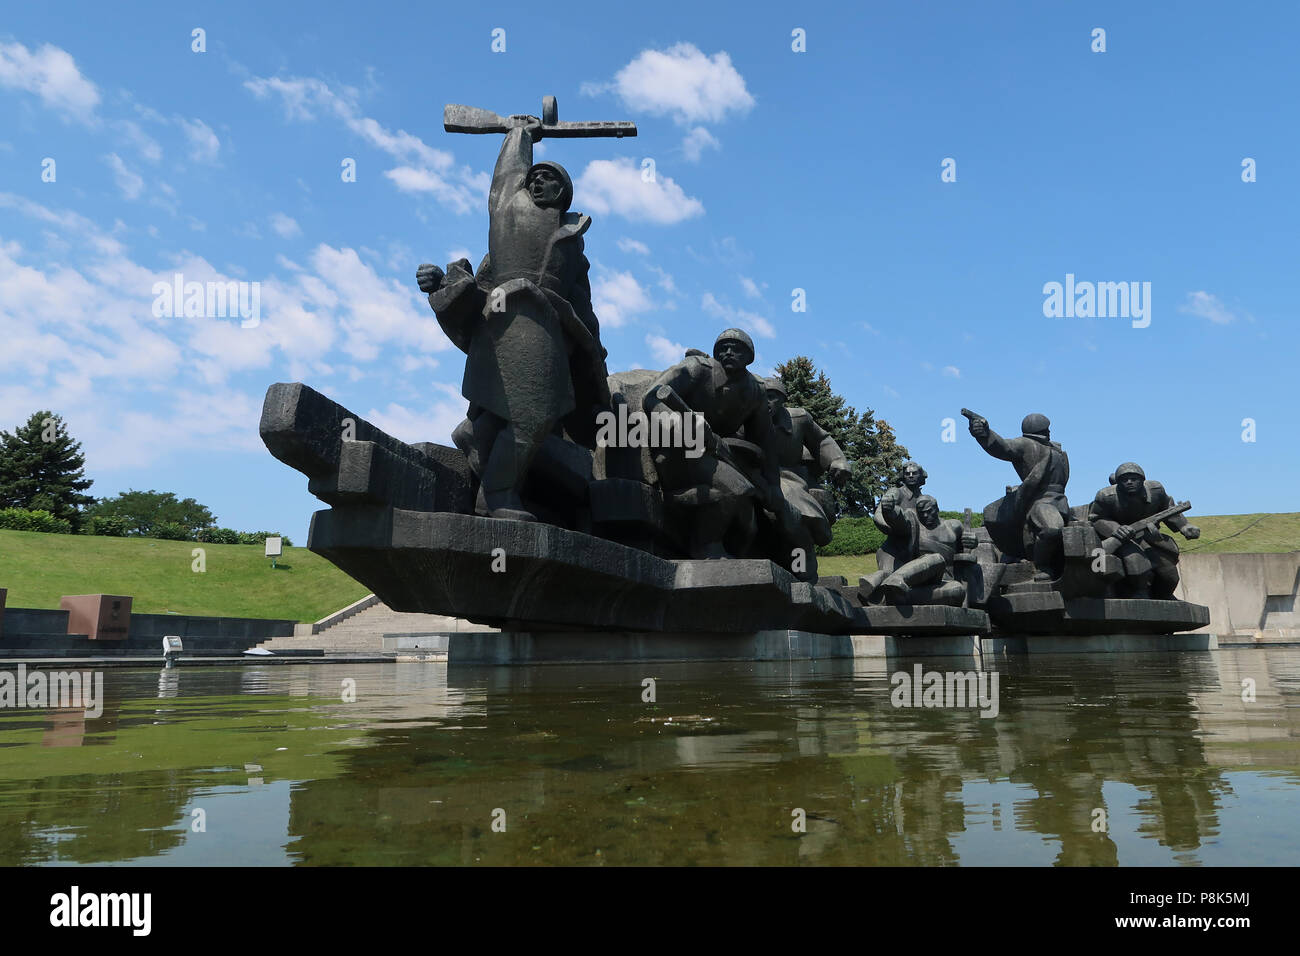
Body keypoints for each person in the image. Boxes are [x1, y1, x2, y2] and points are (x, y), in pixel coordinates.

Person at [418, 113, 609, 520]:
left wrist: (592, 346)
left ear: (564, 194)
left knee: (529, 409)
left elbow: (584, 305)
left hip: (547, 325)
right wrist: (519, 134)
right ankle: (499, 494)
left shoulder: (573, 246)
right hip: (505, 318)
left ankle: (475, 434)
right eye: (533, 176)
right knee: (532, 413)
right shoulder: (508, 214)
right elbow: (505, 179)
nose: (536, 182)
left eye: (548, 179)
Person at [643, 329, 778, 559]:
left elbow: (765, 440)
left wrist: (774, 486)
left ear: (749, 357)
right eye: (722, 348)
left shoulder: (755, 390)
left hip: (716, 455)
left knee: (748, 519)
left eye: (736, 349)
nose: (728, 352)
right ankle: (705, 546)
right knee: (735, 491)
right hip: (676, 451)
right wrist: (679, 423)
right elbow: (653, 396)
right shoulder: (696, 368)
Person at [755, 378, 851, 581]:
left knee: (792, 510)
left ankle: (802, 568)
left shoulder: (799, 418)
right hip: (752, 473)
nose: (766, 403)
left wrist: (838, 461)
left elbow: (822, 440)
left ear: (782, 400)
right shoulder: (746, 415)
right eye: (763, 397)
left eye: (772, 397)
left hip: (788, 478)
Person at [967, 411, 1071, 581]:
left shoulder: (1057, 450)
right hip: (1040, 502)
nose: (1050, 431)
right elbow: (1003, 447)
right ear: (1040, 428)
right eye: (1047, 428)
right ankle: (1042, 566)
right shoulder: (1025, 444)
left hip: (1061, 502)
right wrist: (984, 433)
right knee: (1051, 529)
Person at [1088, 462, 1201, 599]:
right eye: (1124, 480)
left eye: (1134, 479)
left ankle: (1163, 596)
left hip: (1149, 537)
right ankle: (1139, 594)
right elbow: (1096, 518)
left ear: (1142, 480)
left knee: (1169, 575)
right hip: (1124, 539)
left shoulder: (1156, 490)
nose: (1129, 482)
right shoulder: (1106, 496)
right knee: (1136, 564)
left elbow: (1167, 508)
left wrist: (1184, 526)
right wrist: (1117, 530)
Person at [862, 492, 976, 605]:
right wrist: (890, 511)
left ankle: (891, 596)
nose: (925, 516)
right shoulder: (914, 522)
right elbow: (900, 520)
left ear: (937, 509)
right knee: (937, 559)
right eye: (922, 513)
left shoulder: (954, 526)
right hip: (917, 579)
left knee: (957, 591)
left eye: (929, 511)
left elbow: (965, 549)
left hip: (941, 581)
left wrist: (973, 541)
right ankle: (896, 578)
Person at [873, 461, 928, 574]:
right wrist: (890, 526)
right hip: (893, 551)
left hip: (916, 551)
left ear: (921, 476)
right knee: (889, 579)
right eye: (907, 474)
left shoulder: (925, 500)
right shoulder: (896, 492)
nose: (911, 476)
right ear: (903, 477)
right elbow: (878, 514)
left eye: (914, 473)